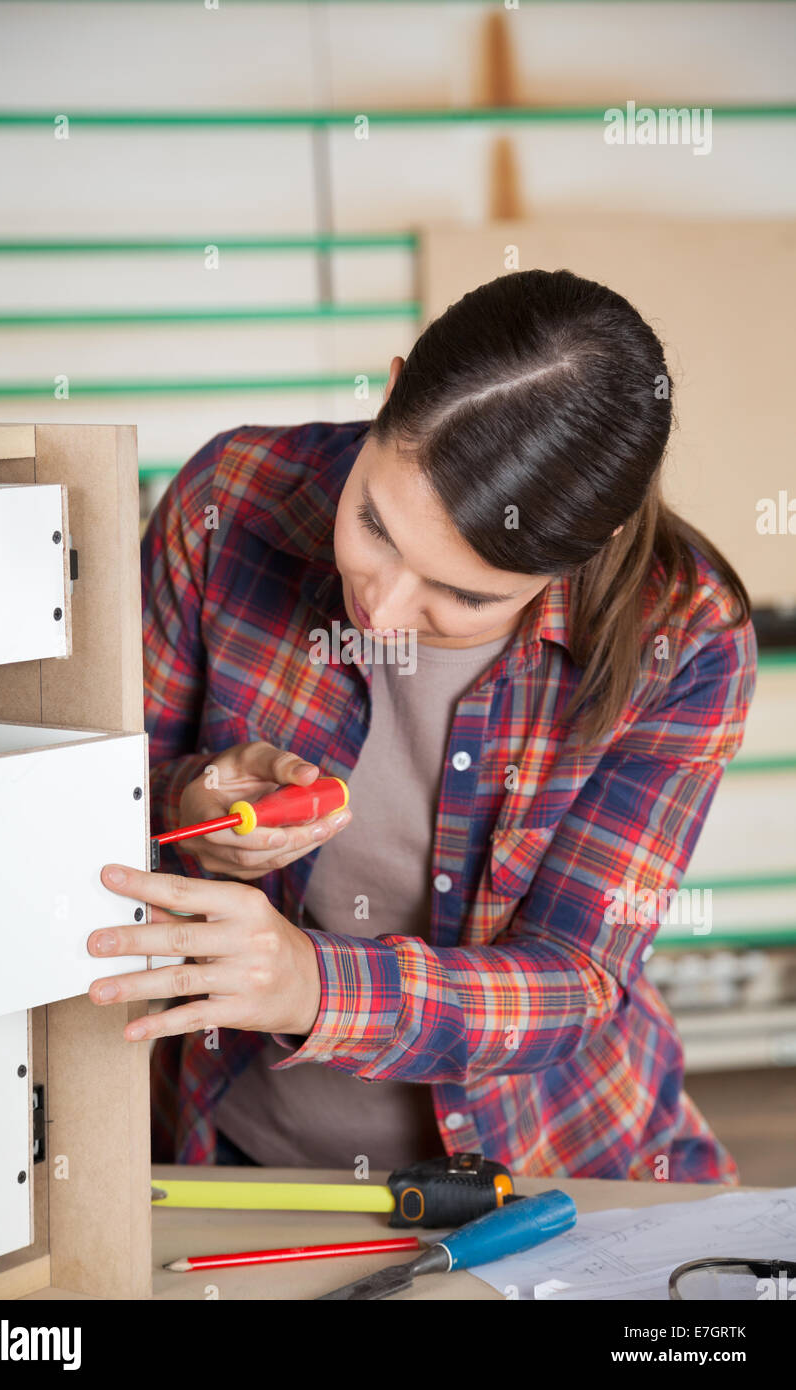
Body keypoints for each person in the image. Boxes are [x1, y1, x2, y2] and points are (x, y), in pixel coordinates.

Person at [89, 268, 755, 1182]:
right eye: (375, 526)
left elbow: (579, 977)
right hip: (238, 1154)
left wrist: (311, 984)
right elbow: (99, 810)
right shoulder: (227, 503)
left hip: (551, 1169)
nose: (385, 610)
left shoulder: (683, 632)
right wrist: (188, 803)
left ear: (578, 555)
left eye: (464, 592)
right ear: (395, 386)